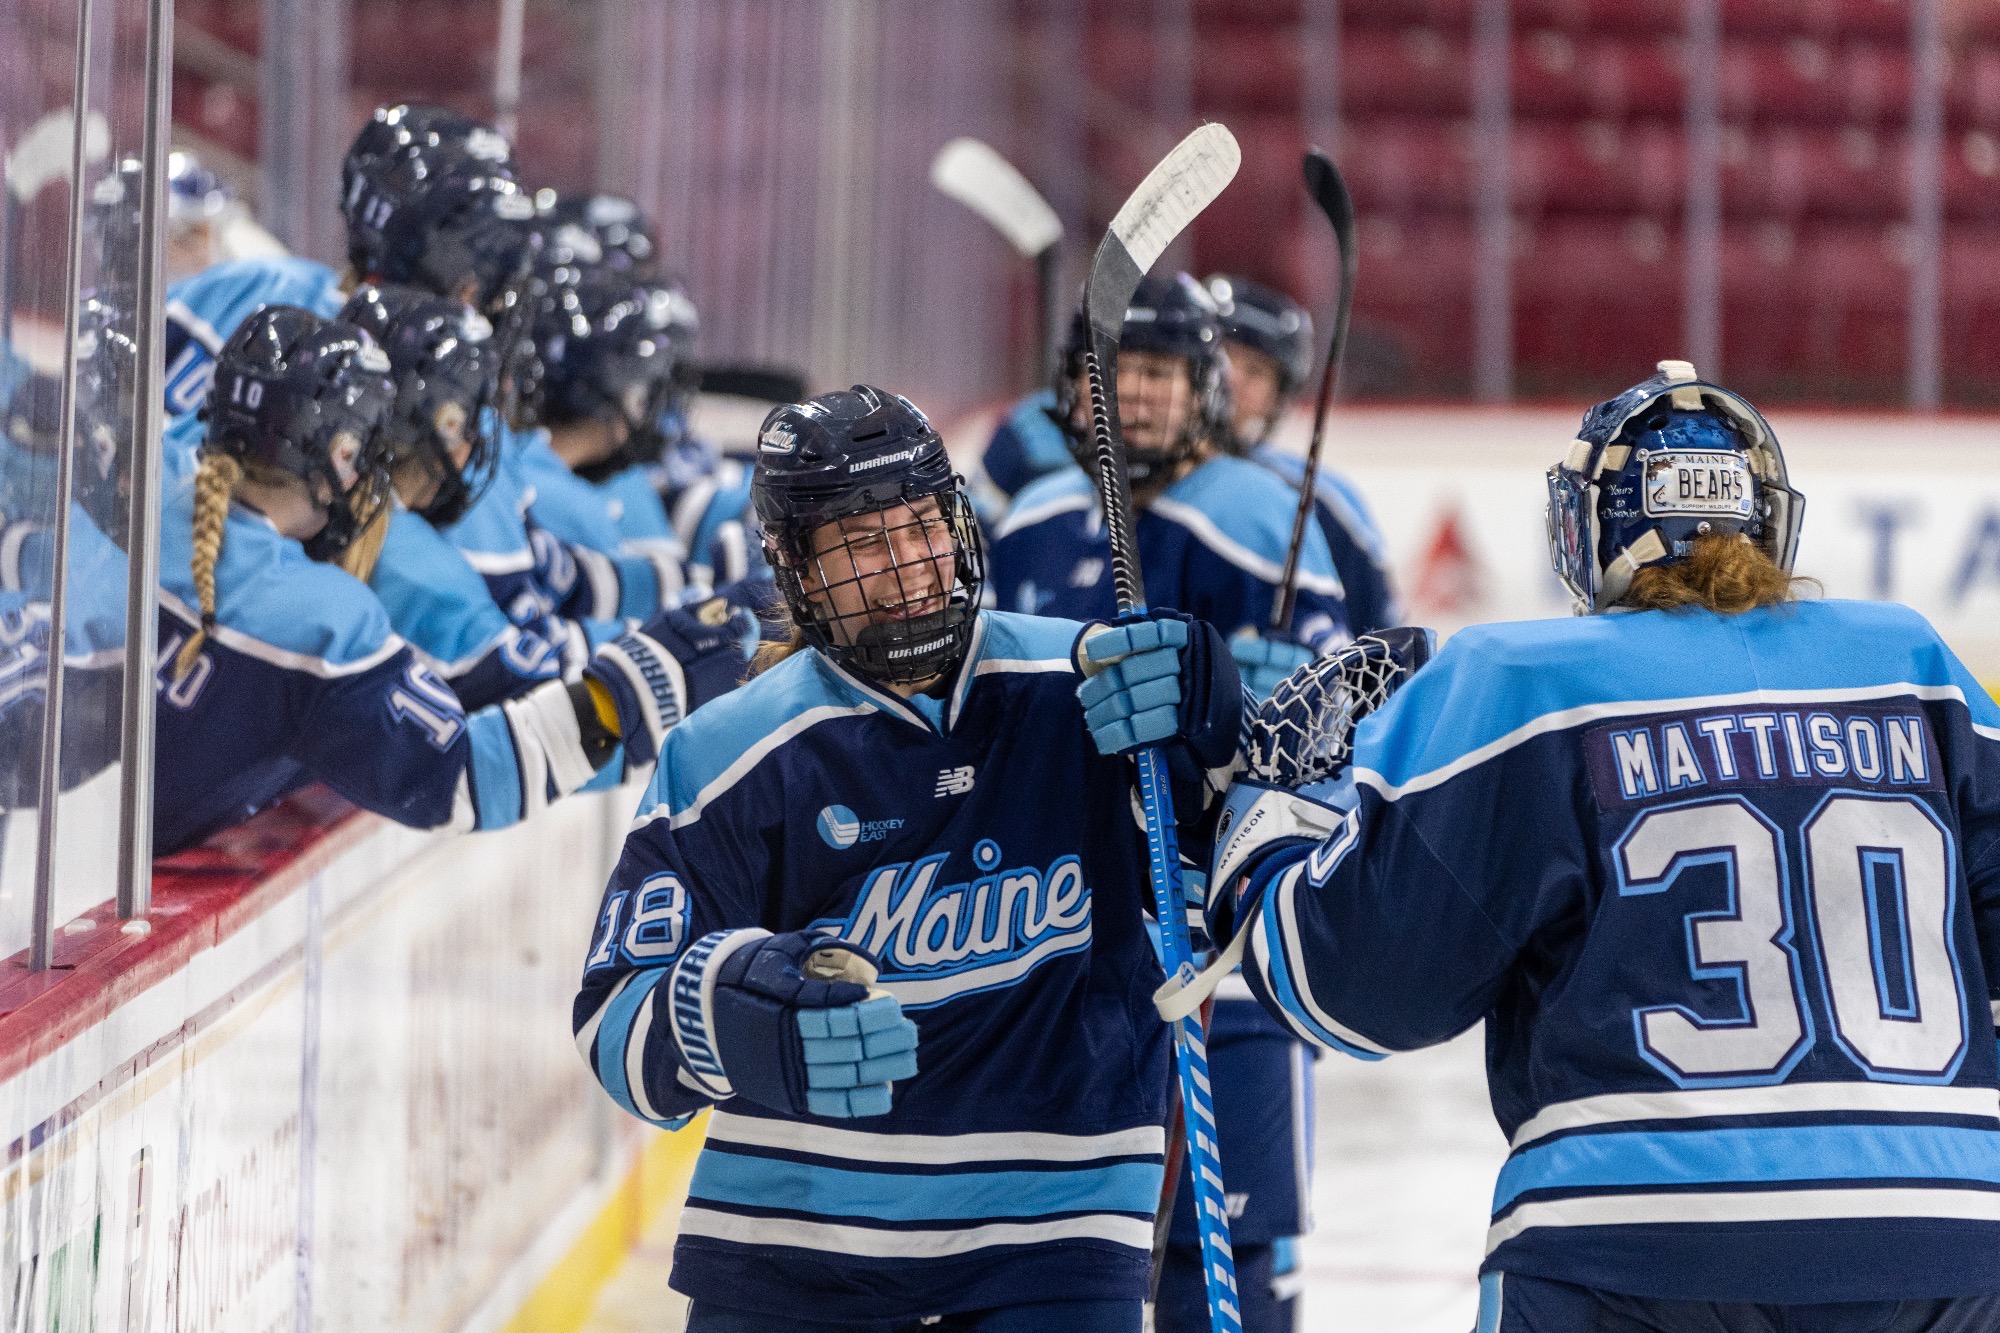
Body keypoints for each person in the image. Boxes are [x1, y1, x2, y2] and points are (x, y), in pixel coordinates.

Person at [1204, 359, 2000, 1330]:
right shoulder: (1917, 666)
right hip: (1944, 1232)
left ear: (1590, 529)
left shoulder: (1524, 681)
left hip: (1630, 1242)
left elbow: (1355, 992)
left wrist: (1271, 811)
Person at [573, 385, 1245, 1333]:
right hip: (789, 1253)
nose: (910, 567)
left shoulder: (1092, 691)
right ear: (796, 568)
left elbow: (1278, 880)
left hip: (1054, 1236)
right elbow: (612, 1020)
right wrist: (727, 1012)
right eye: (862, 546)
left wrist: (1224, 735)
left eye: (924, 525)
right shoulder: (729, 752)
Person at [151, 305, 748, 855]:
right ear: (339, 455)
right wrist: (632, 691)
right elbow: (462, 775)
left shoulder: (151, 479)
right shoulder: (326, 616)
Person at [987, 273, 1348, 696]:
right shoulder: (1029, 518)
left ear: (1201, 391)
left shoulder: (1257, 514)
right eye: (1109, 367)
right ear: (1074, 384)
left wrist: (1276, 717)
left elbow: (1337, 721)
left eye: (1157, 373)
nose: (1130, 394)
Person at [1205, 273, 1399, 637]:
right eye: (1223, 357)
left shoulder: (1325, 506)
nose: (1231, 380)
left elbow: (1387, 659)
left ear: (1277, 401)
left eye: (1256, 371)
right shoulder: (1125, 485)